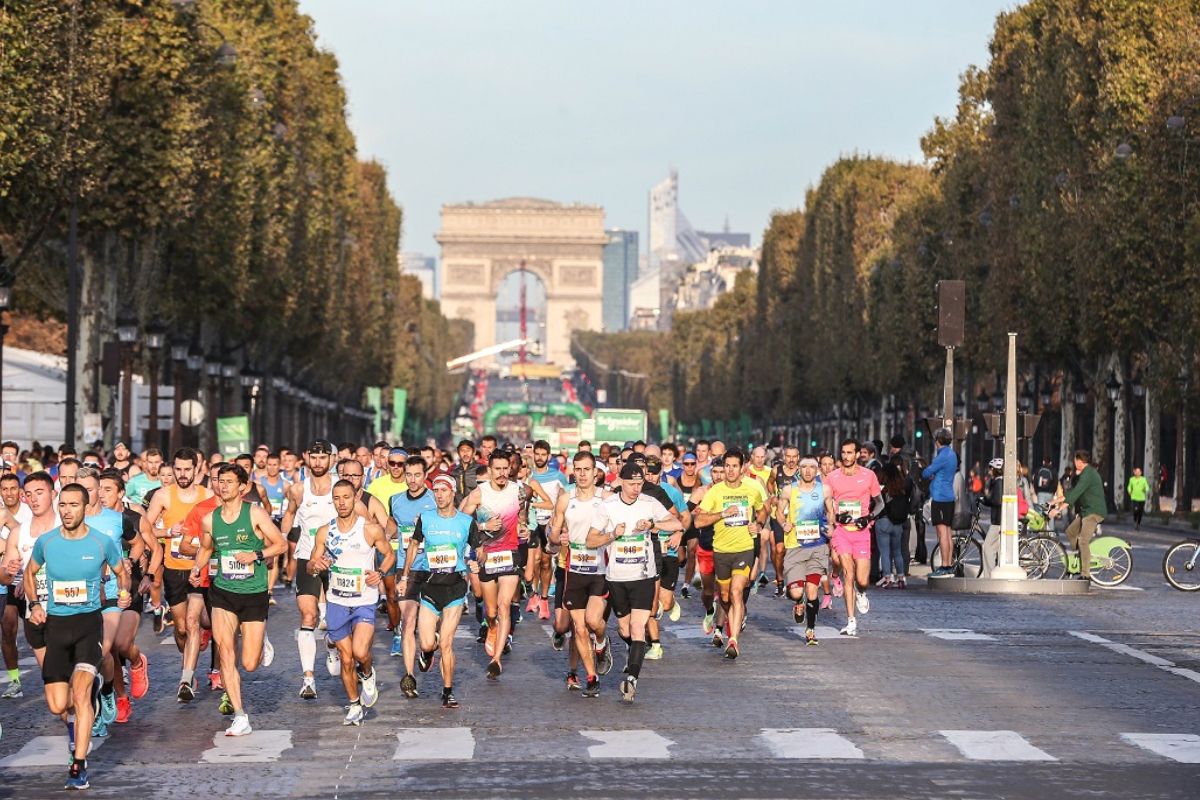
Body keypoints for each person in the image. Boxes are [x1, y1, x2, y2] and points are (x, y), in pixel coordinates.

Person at [25, 483, 131, 790]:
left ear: (85, 508)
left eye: (74, 505)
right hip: (56, 627)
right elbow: (31, 573)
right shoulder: (47, 542)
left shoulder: (101, 542)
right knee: (59, 705)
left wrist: (124, 592)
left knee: (82, 694)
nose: (67, 510)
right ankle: (90, 698)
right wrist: (34, 605)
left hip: (88, 626)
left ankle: (78, 765)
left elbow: (122, 570)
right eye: (63, 505)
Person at [190, 464, 285, 736]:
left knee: (250, 663)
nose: (224, 486)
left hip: (254, 593)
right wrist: (197, 569)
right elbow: (206, 549)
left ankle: (260, 636)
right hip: (223, 592)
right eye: (221, 481)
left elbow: (280, 544)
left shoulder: (254, 513)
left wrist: (255, 556)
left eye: (230, 482)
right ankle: (240, 715)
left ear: (242, 487)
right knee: (225, 651)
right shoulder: (210, 520)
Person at [586, 461, 681, 702]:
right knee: (624, 629)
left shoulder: (649, 503)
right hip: (617, 578)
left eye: (640, 484)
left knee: (638, 627)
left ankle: (632, 679)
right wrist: (612, 535)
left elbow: (677, 523)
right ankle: (633, 651)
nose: (637, 488)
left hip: (643, 576)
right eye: (632, 484)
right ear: (621, 481)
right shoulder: (607, 506)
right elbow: (590, 540)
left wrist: (654, 525)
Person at [308, 480, 391, 725]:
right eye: (337, 498)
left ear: (355, 498)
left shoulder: (370, 529)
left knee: (360, 652)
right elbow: (310, 565)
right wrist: (316, 565)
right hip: (336, 601)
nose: (342, 502)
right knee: (346, 658)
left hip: (364, 599)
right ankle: (354, 705)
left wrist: (381, 573)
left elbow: (389, 555)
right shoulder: (325, 531)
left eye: (346, 497)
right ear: (332, 501)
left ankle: (367, 672)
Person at [143, 447, 213, 704]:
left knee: (193, 622)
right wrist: (167, 532)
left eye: (187, 469)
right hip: (173, 569)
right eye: (178, 469)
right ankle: (189, 660)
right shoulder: (163, 496)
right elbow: (146, 529)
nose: (182, 474)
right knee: (182, 628)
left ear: (197, 469)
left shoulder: (208, 495)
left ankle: (186, 677)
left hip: (199, 569)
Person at [404, 474, 480, 709]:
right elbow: (414, 545)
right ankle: (428, 651)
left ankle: (448, 691)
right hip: (430, 587)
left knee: (446, 643)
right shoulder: (425, 519)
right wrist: (406, 575)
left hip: (455, 588)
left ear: (453, 493)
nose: (439, 495)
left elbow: (479, 549)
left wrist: (477, 562)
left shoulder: (466, 522)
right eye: (435, 491)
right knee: (427, 644)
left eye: (443, 490)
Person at [693, 449, 767, 659]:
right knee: (725, 597)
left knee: (736, 592)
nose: (731, 470)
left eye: (735, 466)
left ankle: (733, 639)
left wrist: (759, 524)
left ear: (743, 467)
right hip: (721, 551)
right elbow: (699, 521)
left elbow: (763, 509)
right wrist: (722, 514)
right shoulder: (715, 492)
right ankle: (731, 617)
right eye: (727, 466)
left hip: (744, 548)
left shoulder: (752, 488)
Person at [551, 451, 612, 697]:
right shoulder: (565, 499)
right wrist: (558, 537)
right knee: (578, 627)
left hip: (600, 570)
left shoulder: (606, 498)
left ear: (595, 472)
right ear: (573, 471)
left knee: (593, 622)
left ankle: (602, 642)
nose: (583, 474)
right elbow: (553, 534)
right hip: (573, 569)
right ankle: (591, 677)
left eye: (588, 469)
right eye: (579, 469)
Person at [279, 440, 336, 700]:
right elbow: (289, 515)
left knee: (334, 621)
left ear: (331, 460)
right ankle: (308, 679)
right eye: (314, 458)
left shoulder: (341, 489)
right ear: (308, 459)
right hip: (306, 558)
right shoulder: (299, 490)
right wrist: (281, 538)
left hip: (338, 561)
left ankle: (333, 644)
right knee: (309, 616)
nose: (318, 463)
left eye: (323, 458)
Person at [386, 458, 438, 695]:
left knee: (429, 629)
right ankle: (409, 677)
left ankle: (427, 649)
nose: (413, 479)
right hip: (405, 569)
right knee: (407, 622)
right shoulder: (395, 501)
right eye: (409, 475)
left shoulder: (435, 499)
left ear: (425, 474)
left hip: (433, 569)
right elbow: (390, 530)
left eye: (417, 474)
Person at [824, 438, 884, 637]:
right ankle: (851, 620)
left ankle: (862, 592)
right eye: (843, 452)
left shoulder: (869, 475)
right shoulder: (832, 477)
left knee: (862, 579)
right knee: (848, 574)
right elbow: (826, 504)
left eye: (850, 453)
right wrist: (835, 516)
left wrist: (868, 517)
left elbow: (880, 503)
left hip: (862, 532)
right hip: (842, 532)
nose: (846, 456)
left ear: (858, 454)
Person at [774, 455, 830, 645]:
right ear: (799, 469)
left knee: (813, 590)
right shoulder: (789, 490)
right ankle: (798, 603)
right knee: (797, 592)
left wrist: (832, 526)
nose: (808, 470)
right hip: (795, 546)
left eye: (812, 467)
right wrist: (783, 523)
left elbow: (831, 513)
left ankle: (811, 630)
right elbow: (779, 512)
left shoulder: (825, 490)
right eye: (804, 467)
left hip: (817, 545)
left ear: (818, 470)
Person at [1051, 450, 1107, 581]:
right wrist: (1053, 502)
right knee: (1070, 532)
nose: (1074, 463)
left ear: (1080, 461)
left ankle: (1085, 574)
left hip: (1093, 512)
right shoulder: (1084, 474)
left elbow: (1075, 494)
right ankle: (1083, 554)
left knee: (1083, 541)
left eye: (1075, 460)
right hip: (1085, 511)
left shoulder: (1088, 475)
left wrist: (1058, 510)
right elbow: (1071, 493)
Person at [922, 428, 959, 577]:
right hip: (949, 496)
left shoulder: (942, 455)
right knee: (948, 532)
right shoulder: (953, 454)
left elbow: (926, 472)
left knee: (941, 533)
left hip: (940, 497)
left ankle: (944, 566)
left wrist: (929, 473)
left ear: (937, 441)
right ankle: (948, 564)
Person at [875, 459, 912, 588]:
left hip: (883, 521)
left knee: (885, 552)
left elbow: (876, 503)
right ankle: (901, 577)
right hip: (898, 523)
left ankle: (887, 577)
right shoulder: (901, 488)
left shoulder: (883, 488)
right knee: (897, 551)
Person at [978, 459, 1004, 578]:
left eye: (990, 468)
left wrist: (985, 500)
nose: (989, 470)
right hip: (999, 520)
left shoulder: (998, 482)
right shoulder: (1000, 481)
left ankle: (989, 575)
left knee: (987, 547)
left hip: (997, 521)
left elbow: (997, 500)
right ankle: (991, 573)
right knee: (994, 548)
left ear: (994, 469)